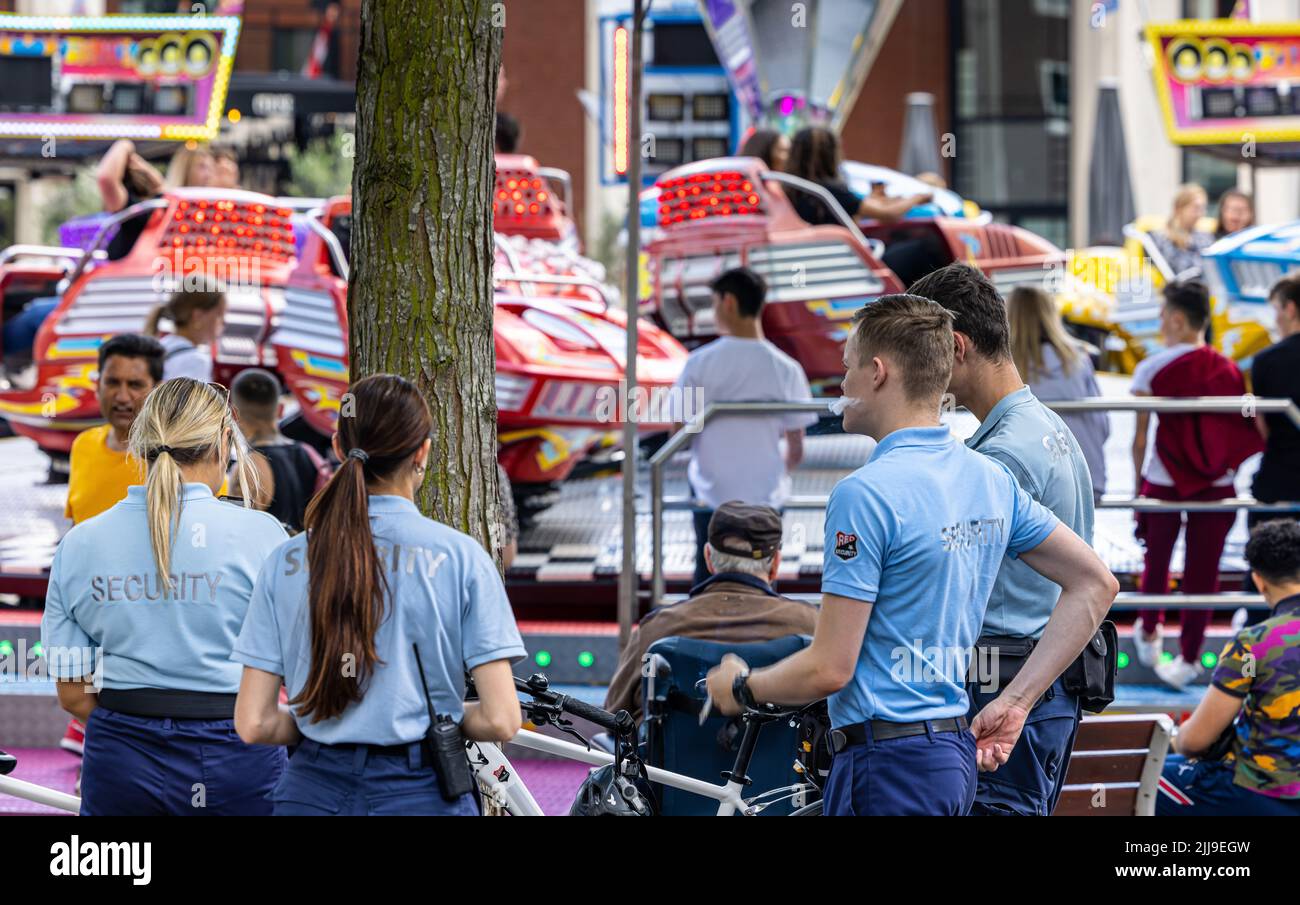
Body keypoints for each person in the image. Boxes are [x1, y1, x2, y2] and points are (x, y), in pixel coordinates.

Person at [704, 294, 1118, 816]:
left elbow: (831, 667)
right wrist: (1017, 701)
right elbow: (1095, 584)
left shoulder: (865, 494)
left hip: (884, 764)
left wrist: (741, 687)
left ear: (877, 373)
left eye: (847, 368)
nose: (842, 386)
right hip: (951, 754)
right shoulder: (988, 477)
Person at [232, 374, 525, 816]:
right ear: (422, 451)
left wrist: (326, 724)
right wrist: (437, 716)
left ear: (336, 446)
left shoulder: (285, 560)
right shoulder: (462, 558)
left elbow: (254, 722)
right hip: (419, 789)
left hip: (311, 789)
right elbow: (502, 717)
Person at [41, 378, 289, 815]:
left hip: (120, 756)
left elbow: (72, 695)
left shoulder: (81, 544)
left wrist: (129, 736)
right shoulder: (263, 535)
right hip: (239, 752)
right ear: (223, 442)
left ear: (141, 445)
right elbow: (300, 668)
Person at [911, 265, 1097, 816]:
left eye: (917, 350)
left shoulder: (1000, 458)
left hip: (1003, 679)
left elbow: (951, 588)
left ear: (956, 347)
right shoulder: (1044, 426)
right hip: (1041, 683)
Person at [1131, 280, 1263, 689]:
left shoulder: (1152, 367)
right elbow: (1244, 429)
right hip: (1217, 481)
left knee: (1158, 558)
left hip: (1163, 477)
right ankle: (1190, 657)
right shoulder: (1228, 369)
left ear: (1175, 319)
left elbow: (1139, 439)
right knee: (1203, 570)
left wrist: (1139, 487)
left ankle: (1149, 628)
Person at [604, 502, 817, 723]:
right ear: (775, 564)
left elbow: (613, 716)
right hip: (783, 758)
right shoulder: (812, 626)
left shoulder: (656, 629)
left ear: (708, 558)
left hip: (672, 758)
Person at [671, 267, 816, 586]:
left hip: (710, 496)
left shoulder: (699, 364)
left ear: (729, 302)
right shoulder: (786, 368)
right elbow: (796, 447)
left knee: (707, 577)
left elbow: (678, 433)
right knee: (762, 578)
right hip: (767, 496)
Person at [1156, 520, 1300, 815]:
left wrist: (1173, 740)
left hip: (1260, 792)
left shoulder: (1253, 645)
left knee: (1147, 777)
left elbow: (1195, 741)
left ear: (1259, 580)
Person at [1006, 283, 1110, 503]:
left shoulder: (1007, 365)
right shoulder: (1078, 358)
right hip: (1086, 474)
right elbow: (1103, 424)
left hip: (1033, 480)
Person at [227, 368, 330, 532]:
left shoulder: (247, 469)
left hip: (269, 556)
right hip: (307, 553)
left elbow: (234, 531)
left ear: (233, 414)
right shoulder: (309, 453)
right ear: (280, 409)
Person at [784, 126, 930, 226]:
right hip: (842, 256)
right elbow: (889, 215)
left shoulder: (790, 188)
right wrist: (918, 197)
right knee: (925, 247)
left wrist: (873, 199)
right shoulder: (829, 190)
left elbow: (854, 209)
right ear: (831, 154)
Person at [1249, 274, 1300, 529]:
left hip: (1279, 478)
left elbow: (1262, 426)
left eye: (1276, 309)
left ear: (1290, 309)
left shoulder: (1266, 361)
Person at [144, 286, 226, 382]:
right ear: (198, 316)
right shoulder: (196, 361)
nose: (224, 321)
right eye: (219, 315)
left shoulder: (162, 344)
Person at [1149, 183, 1213, 279]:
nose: (1200, 214)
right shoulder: (1160, 237)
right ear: (1178, 209)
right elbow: (1176, 270)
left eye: (1202, 208)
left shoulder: (1205, 237)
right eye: (1195, 208)